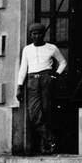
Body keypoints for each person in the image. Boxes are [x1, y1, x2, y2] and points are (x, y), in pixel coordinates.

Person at [15, 21, 68, 154]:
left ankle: (45, 145)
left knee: (46, 111)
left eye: (39, 33)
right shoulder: (27, 49)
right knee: (34, 115)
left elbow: (63, 62)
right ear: (30, 35)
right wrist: (19, 86)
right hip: (32, 80)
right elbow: (23, 68)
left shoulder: (51, 48)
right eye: (33, 34)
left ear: (43, 34)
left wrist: (55, 75)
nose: (36, 36)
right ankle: (51, 140)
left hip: (46, 80)